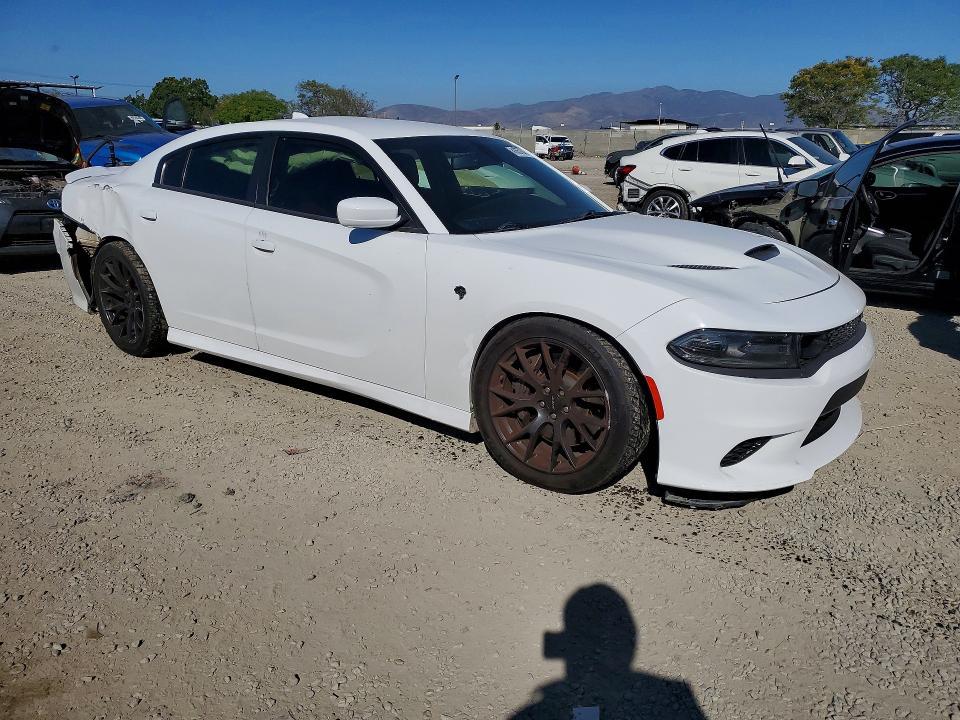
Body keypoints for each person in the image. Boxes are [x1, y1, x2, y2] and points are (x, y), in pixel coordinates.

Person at [509, 584, 708, 719]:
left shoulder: (533, 707)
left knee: (586, 701)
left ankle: (590, 704)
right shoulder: (679, 690)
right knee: (590, 698)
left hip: (586, 696)